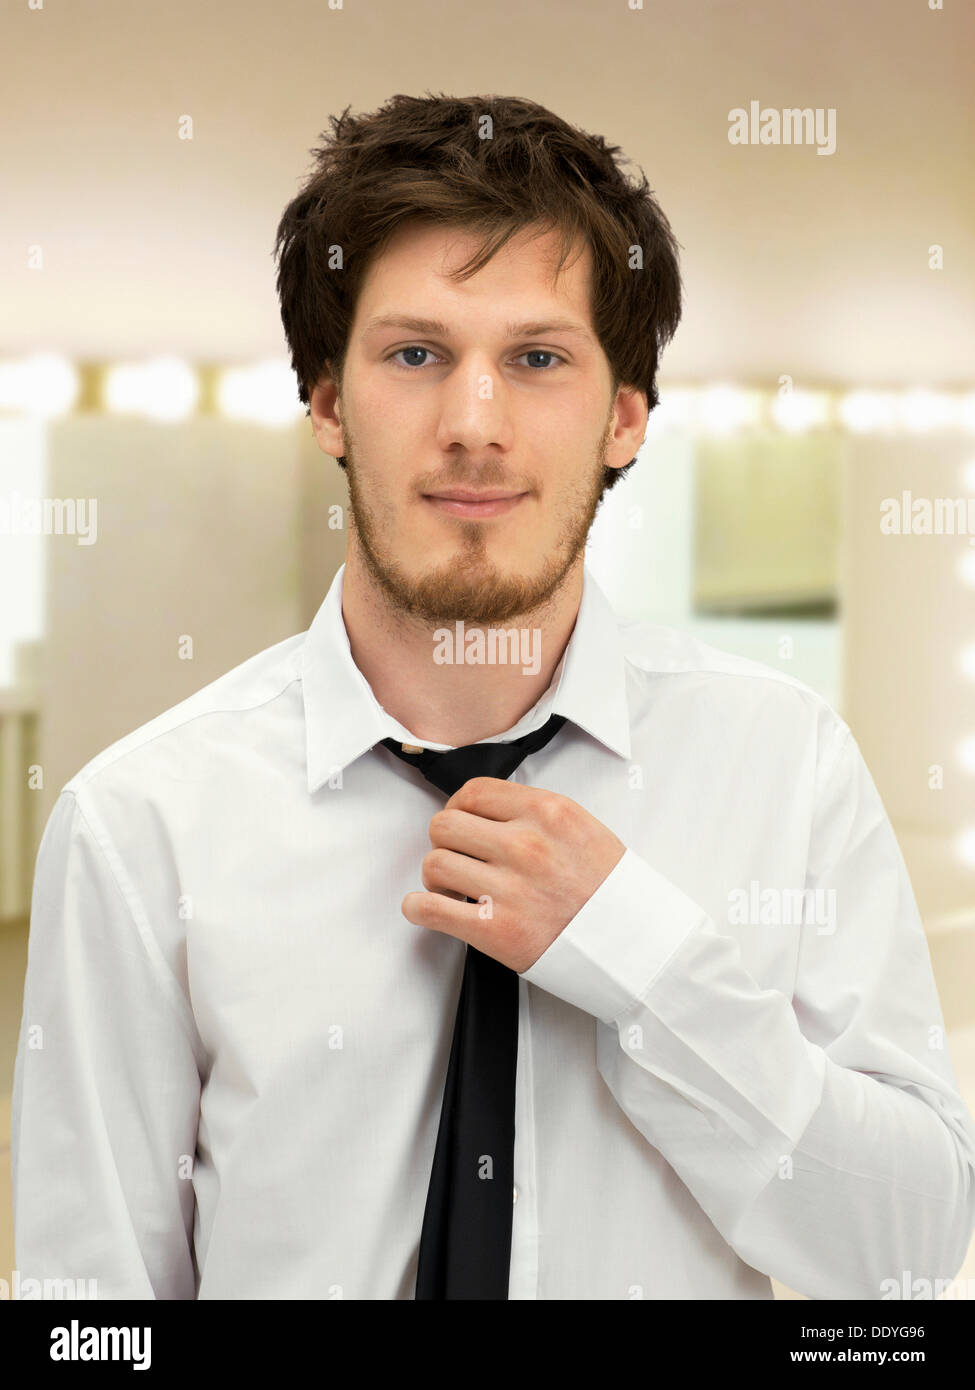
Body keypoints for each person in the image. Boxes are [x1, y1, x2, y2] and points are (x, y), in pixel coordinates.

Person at [12, 93, 975, 1300]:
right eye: (416, 355)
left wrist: (633, 953)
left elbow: (905, 1252)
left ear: (625, 419)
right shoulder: (138, 823)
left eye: (537, 359)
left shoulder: (786, 764)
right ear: (326, 404)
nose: (475, 425)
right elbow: (87, 1312)